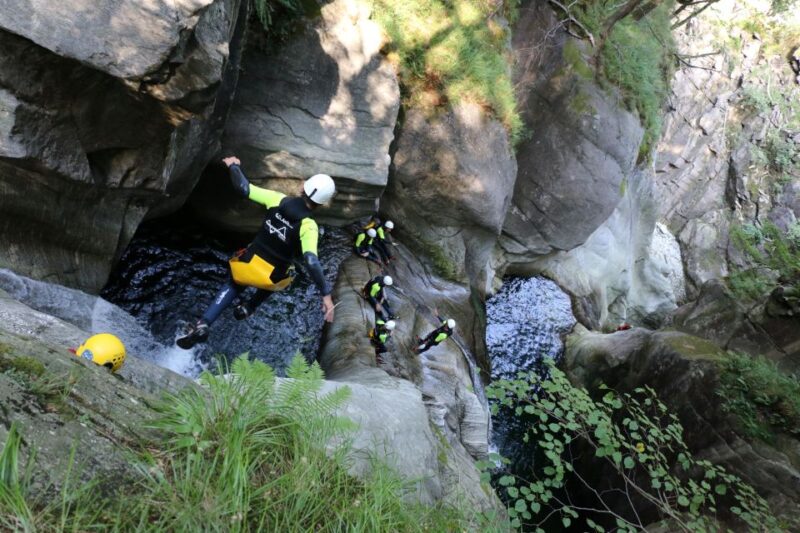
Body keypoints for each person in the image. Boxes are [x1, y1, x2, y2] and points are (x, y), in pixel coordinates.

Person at [176, 156, 336, 349]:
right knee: (286, 275)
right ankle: (248, 307)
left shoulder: (277, 199)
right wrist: (326, 294)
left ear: (303, 187)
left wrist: (234, 166)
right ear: (323, 203)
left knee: (233, 284)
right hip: (270, 278)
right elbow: (311, 260)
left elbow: (243, 188)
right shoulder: (309, 226)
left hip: (248, 263)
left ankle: (204, 323)